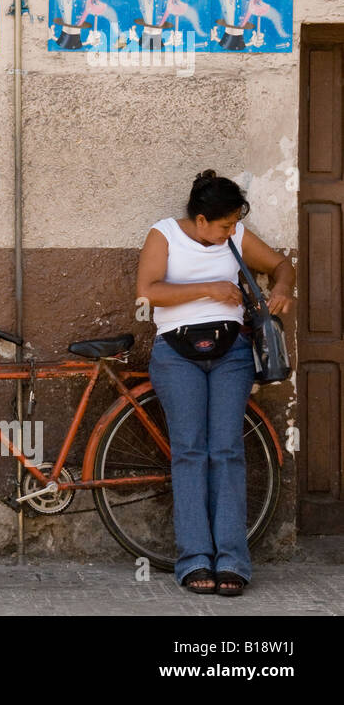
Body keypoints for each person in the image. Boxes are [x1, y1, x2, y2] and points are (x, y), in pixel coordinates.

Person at [135, 170, 294, 597]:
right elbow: (147, 291)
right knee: (189, 453)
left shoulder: (236, 235)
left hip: (232, 357)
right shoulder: (164, 234)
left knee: (226, 452)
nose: (231, 232)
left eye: (234, 225)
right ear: (201, 220)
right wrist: (209, 289)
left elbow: (282, 265)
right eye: (224, 225)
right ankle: (194, 560)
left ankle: (233, 561)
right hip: (176, 356)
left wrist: (281, 289)